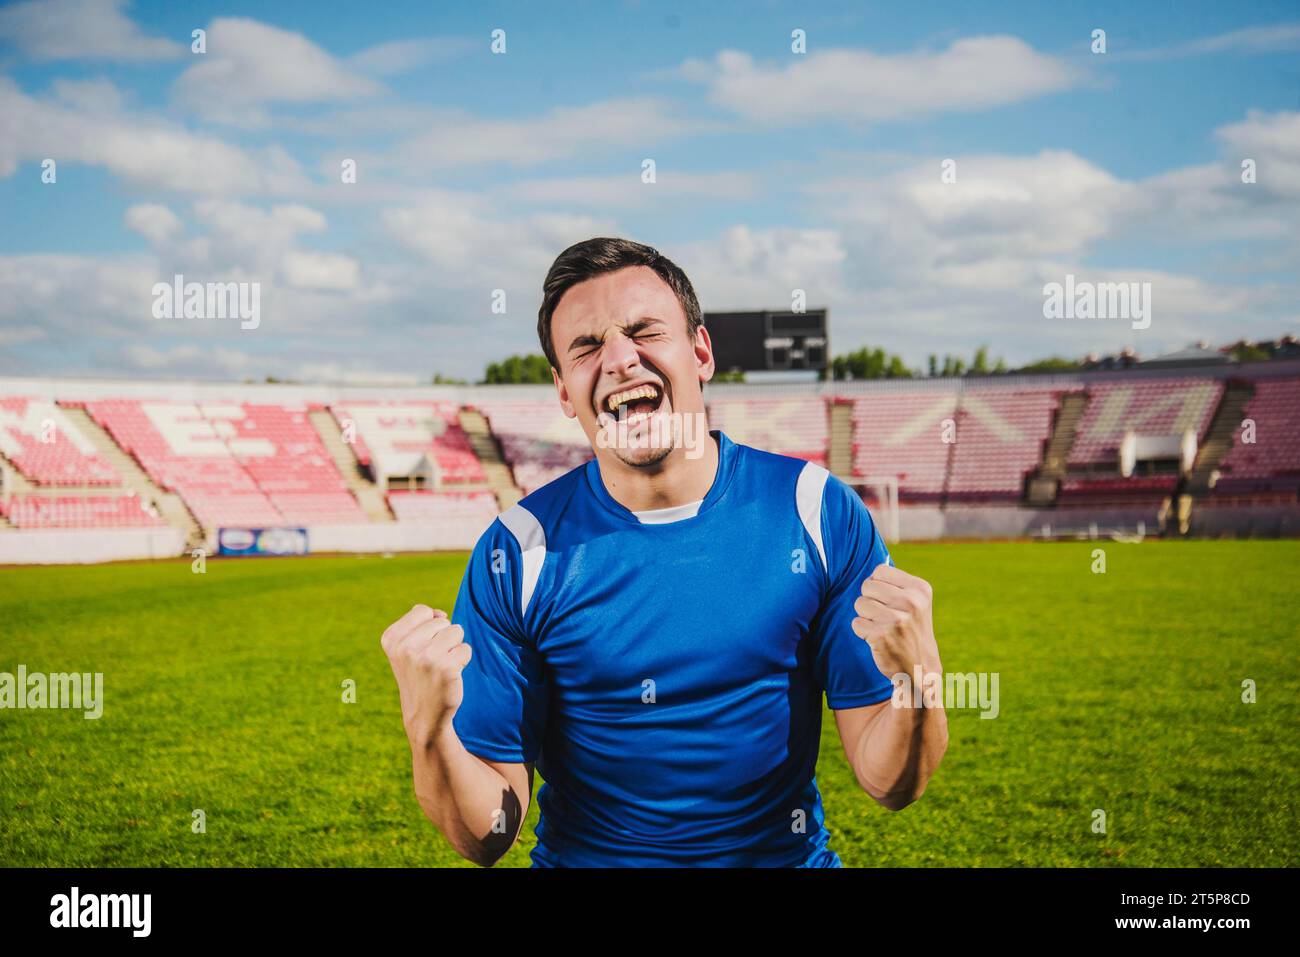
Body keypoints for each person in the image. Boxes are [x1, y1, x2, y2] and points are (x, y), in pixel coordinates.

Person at [381, 237, 948, 866]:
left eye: (643, 331)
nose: (620, 359)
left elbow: (890, 782)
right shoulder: (517, 554)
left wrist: (918, 682)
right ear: (565, 392)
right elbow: (488, 836)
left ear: (700, 351)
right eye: (587, 346)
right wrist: (428, 732)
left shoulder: (815, 511)